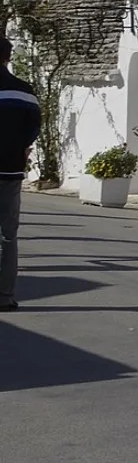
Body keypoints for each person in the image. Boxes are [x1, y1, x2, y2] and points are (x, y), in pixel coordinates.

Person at [0, 33, 42, 311]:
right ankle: (5, 296)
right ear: (8, 57)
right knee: (8, 237)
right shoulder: (25, 91)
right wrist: (20, 148)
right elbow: (33, 130)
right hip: (10, 171)